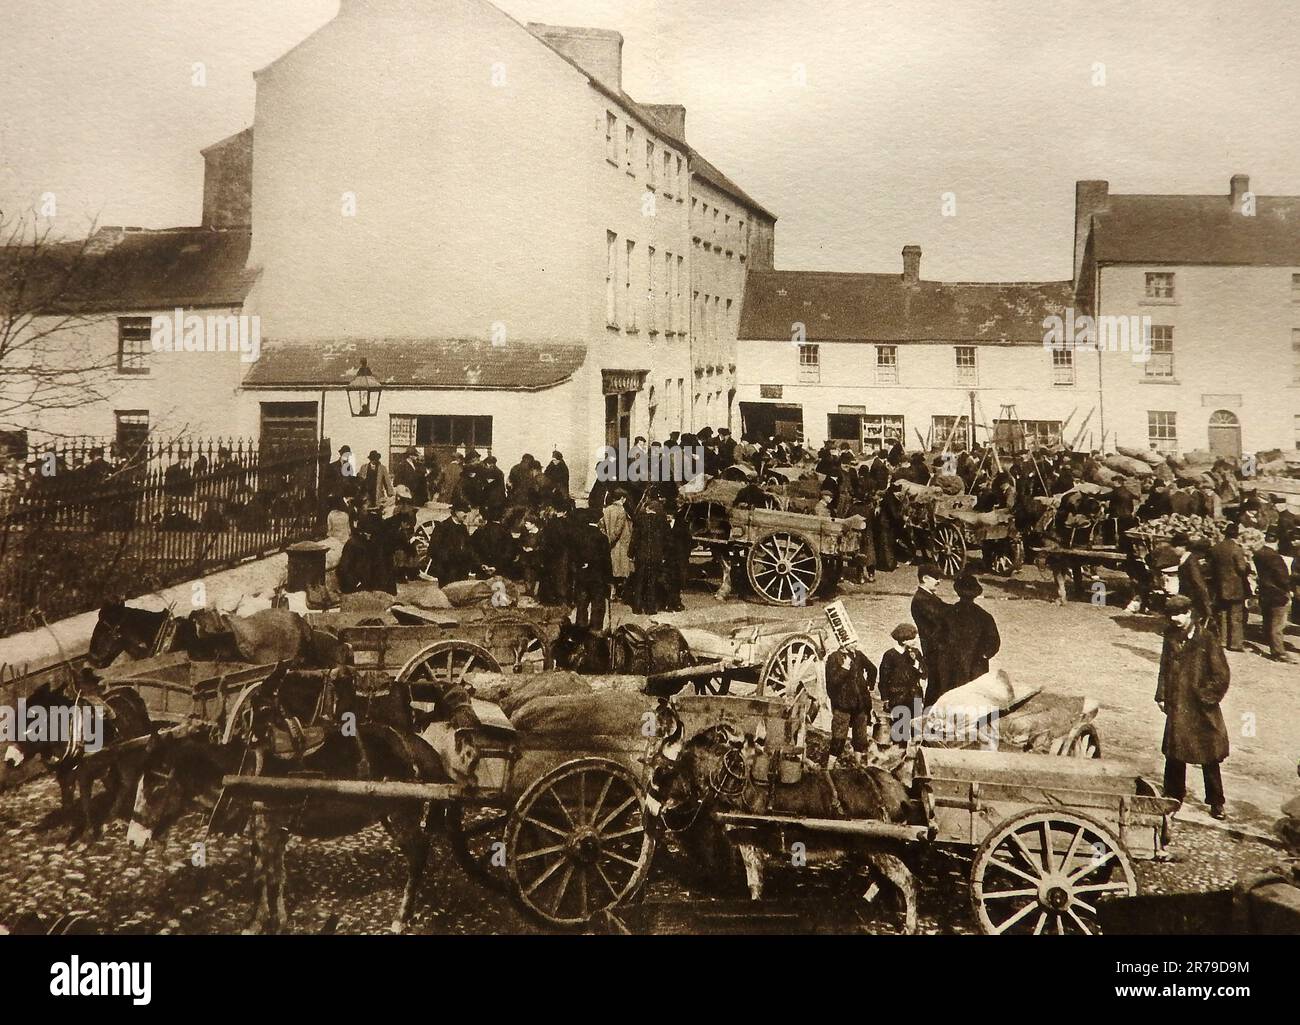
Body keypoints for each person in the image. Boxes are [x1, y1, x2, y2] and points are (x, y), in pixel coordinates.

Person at [1156, 595, 1230, 820]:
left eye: (1179, 614)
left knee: (1209, 756)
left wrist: (1205, 697)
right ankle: (1173, 796)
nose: (1175, 619)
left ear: (1189, 613)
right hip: (1178, 704)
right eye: (1171, 615)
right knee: (1175, 753)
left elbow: (1221, 675)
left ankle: (1216, 801)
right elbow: (1164, 667)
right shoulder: (1170, 636)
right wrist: (1161, 695)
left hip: (1200, 709)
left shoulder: (1207, 639)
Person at [824, 639, 878, 768]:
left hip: (860, 703)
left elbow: (873, 669)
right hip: (843, 704)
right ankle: (830, 766)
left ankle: (857, 764)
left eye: (855, 642)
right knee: (839, 736)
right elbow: (832, 682)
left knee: (860, 736)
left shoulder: (858, 655)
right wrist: (845, 668)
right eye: (851, 642)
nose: (855, 645)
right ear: (843, 643)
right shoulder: (834, 658)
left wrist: (870, 685)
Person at [946, 573, 1001, 690]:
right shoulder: (985, 616)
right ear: (975, 595)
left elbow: (940, 637)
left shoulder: (949, 613)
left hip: (954, 665)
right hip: (977, 666)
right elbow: (994, 642)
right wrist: (984, 656)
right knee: (976, 699)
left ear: (958, 592)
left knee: (956, 697)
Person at [877, 623, 926, 746]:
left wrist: (915, 662)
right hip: (898, 697)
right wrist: (886, 699)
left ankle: (914, 756)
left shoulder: (915, 653)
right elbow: (883, 679)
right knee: (900, 732)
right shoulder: (890, 655)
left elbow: (924, 673)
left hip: (915, 696)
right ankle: (899, 755)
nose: (915, 641)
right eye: (912, 638)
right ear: (903, 640)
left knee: (917, 729)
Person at [911, 563, 951, 705]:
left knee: (939, 683)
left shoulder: (929, 596)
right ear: (925, 578)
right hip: (934, 648)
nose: (939, 581)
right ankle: (929, 713)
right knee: (937, 684)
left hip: (937, 647)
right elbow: (941, 616)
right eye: (936, 578)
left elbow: (945, 607)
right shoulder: (921, 600)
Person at [1253, 533, 1296, 663]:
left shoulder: (1259, 554)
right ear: (1276, 541)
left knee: (1268, 619)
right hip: (1278, 594)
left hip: (1265, 592)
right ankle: (1279, 652)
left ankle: (1270, 642)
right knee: (1278, 624)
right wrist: (1290, 589)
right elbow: (1282, 577)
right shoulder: (1275, 557)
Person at [1207, 524, 1250, 651]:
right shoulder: (1236, 549)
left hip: (1220, 585)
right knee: (1236, 616)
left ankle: (1223, 641)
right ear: (1236, 535)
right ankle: (1235, 644)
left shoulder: (1216, 548)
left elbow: (1212, 567)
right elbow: (1242, 568)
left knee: (1223, 614)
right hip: (1235, 587)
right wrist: (1248, 567)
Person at [570, 509, 614, 631]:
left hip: (582, 576)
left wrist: (581, 564)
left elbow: (573, 555)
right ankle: (595, 629)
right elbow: (606, 560)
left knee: (582, 603)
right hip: (598, 577)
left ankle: (580, 627)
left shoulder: (578, 536)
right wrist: (610, 580)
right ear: (598, 520)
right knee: (598, 604)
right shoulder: (602, 538)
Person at [629, 490, 669, 615]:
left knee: (639, 580)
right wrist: (664, 553)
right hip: (656, 554)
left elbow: (635, 538)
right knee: (652, 581)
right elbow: (666, 538)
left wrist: (631, 553)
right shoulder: (662, 520)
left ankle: (637, 607)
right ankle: (650, 608)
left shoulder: (640, 519)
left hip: (641, 554)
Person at [1169, 532, 1213, 624]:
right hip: (1188, 596)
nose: (1173, 550)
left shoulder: (1190, 561)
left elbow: (1198, 581)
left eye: (1174, 547)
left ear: (1182, 547)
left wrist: (1205, 601)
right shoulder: (1186, 559)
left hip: (1193, 597)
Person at [426, 502, 475, 584]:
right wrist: (449, 559)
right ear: (455, 512)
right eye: (464, 511)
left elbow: (468, 548)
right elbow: (432, 550)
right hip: (447, 572)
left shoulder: (463, 528)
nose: (466, 514)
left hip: (462, 573)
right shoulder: (442, 527)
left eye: (467, 512)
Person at [600, 488, 633, 597]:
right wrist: (610, 540)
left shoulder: (607, 510)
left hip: (610, 546)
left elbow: (602, 526)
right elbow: (618, 530)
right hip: (619, 545)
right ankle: (619, 593)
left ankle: (612, 592)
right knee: (621, 571)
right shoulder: (621, 511)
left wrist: (605, 540)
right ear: (622, 498)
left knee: (612, 570)